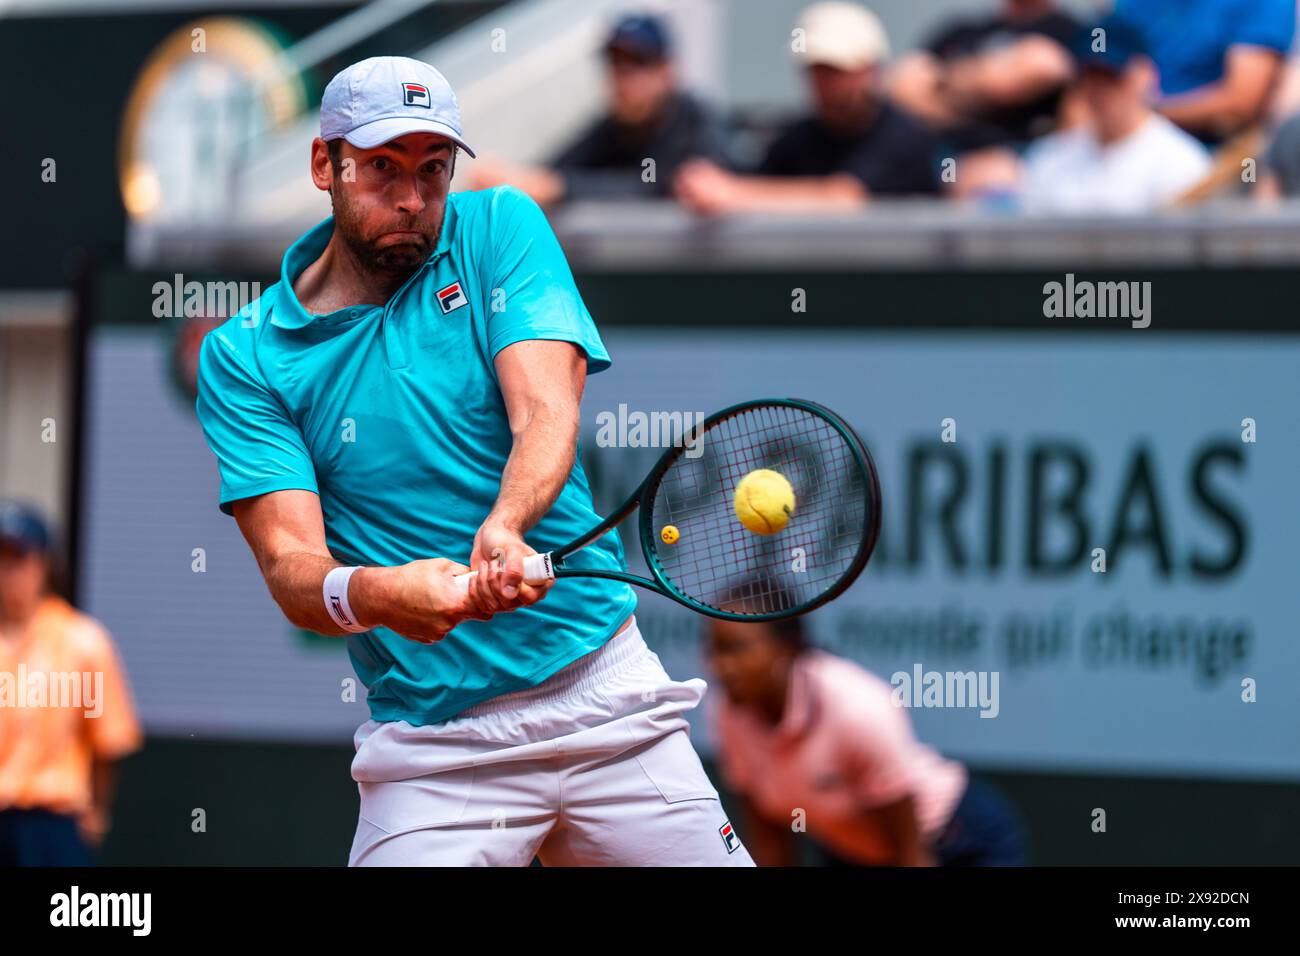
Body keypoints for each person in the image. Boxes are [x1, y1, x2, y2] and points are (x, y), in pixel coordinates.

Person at [194, 56, 753, 867]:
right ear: (326, 163)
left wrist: (508, 523)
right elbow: (292, 568)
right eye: (383, 168)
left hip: (606, 700)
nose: (413, 198)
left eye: (433, 169)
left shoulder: (499, 229)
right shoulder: (245, 358)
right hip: (436, 745)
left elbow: (546, 410)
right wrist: (385, 593)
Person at [708, 613, 1025, 866]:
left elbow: (910, 854)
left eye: (737, 648)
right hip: (852, 850)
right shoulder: (728, 714)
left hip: (955, 841)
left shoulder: (857, 708)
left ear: (787, 647)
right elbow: (770, 840)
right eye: (714, 649)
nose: (722, 666)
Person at [674, 1, 940, 214]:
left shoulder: (903, 136)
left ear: (870, 70)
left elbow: (845, 199)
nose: (824, 82)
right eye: (816, 69)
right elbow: (760, 187)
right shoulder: (796, 140)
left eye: (836, 70)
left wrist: (731, 192)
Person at [0, 501, 142, 865]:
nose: (7, 572)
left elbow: (109, 743)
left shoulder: (83, 643)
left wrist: (95, 817)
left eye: (17, 558)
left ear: (44, 564)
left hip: (51, 827)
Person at [467, 14, 731, 204]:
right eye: (615, 63)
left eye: (638, 62)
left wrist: (558, 187)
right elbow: (554, 170)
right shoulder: (616, 124)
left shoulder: (694, 119)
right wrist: (512, 179)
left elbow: (662, 188)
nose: (623, 75)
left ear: (666, 71)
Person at [1019, 18, 1212, 214]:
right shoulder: (1049, 157)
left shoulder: (1180, 163)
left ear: (1144, 74)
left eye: (1111, 76)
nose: (1100, 90)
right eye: (1090, 77)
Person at [890, 0, 1079, 198]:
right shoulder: (963, 29)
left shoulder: (1070, 32)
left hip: (1021, 159)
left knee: (996, 179)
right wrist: (983, 82)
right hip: (948, 156)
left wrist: (946, 86)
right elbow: (905, 83)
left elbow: (1040, 67)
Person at [1113, 0, 1296, 144]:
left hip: (1205, 151)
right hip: (1115, 137)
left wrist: (1147, 115)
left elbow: (1238, 104)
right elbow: (1101, 65)